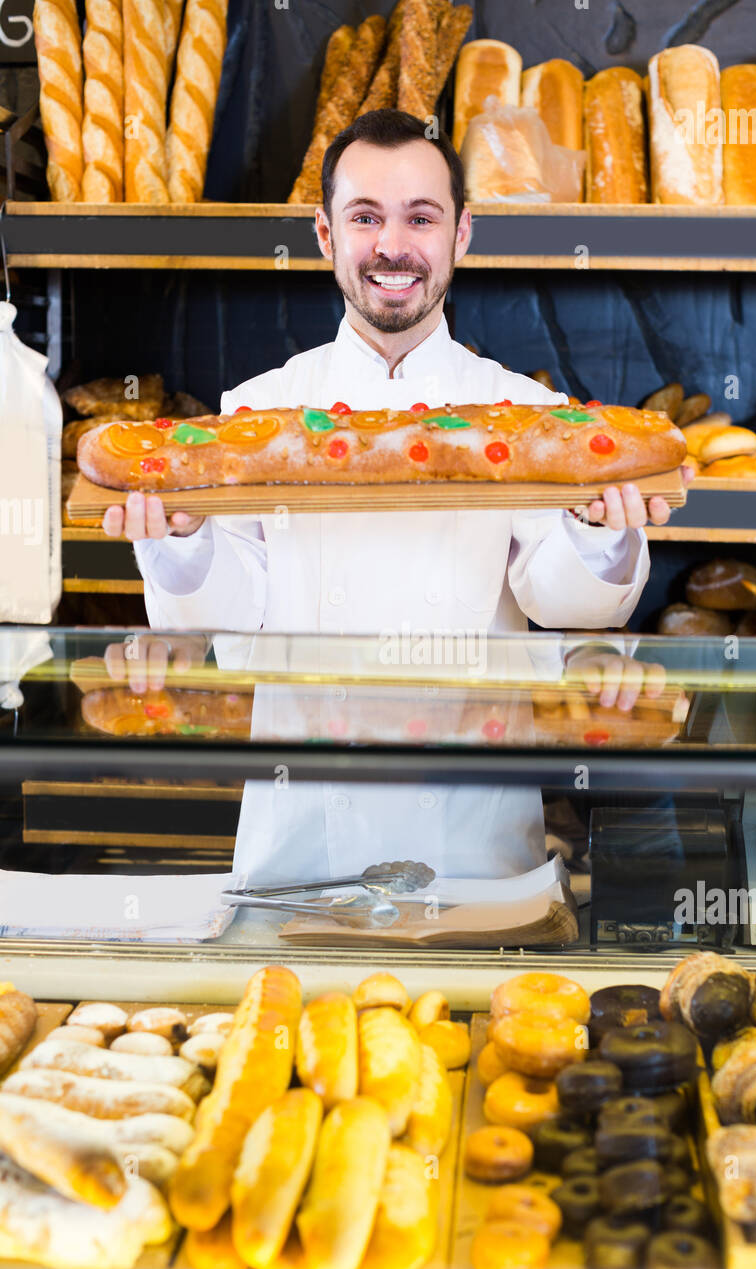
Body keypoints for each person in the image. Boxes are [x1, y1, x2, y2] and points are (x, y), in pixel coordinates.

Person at [102, 110, 687, 884]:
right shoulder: (253, 412)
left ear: (462, 234)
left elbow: (570, 606)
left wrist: (598, 533)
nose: (392, 246)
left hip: (471, 846)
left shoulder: (524, 414)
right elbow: (224, 612)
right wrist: (179, 542)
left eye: (421, 217)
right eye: (365, 217)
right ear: (325, 235)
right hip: (300, 842)